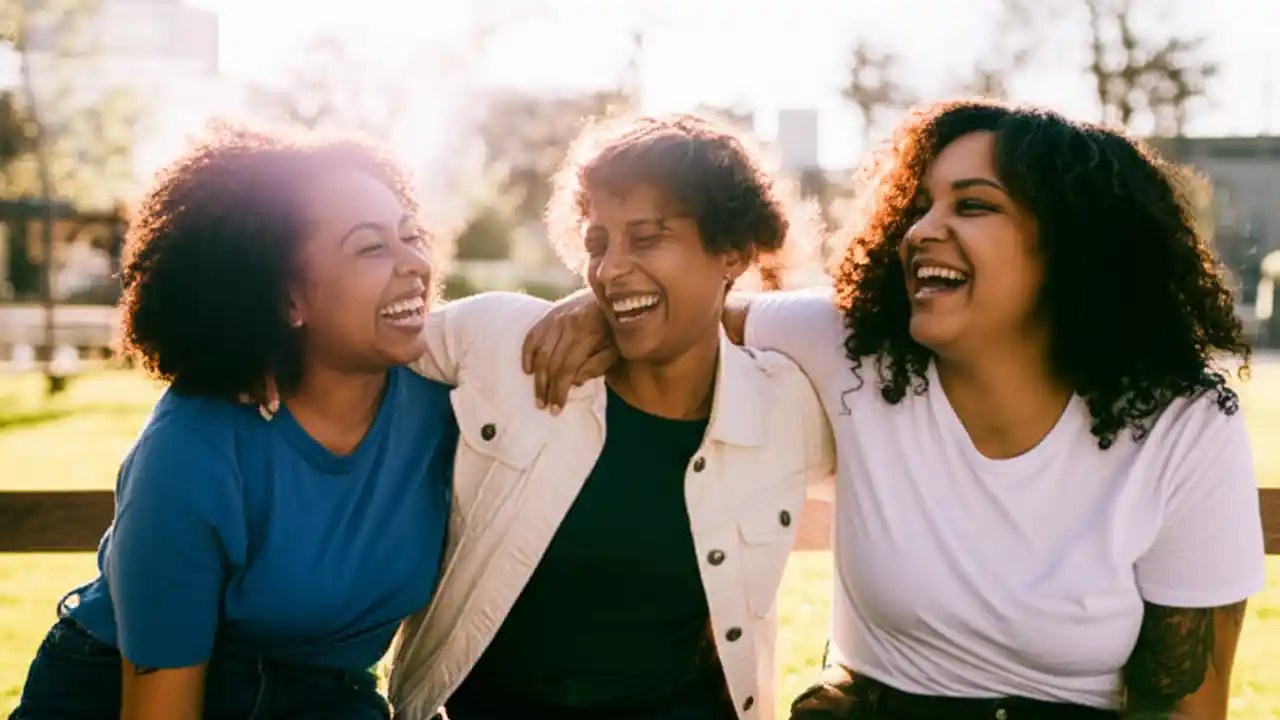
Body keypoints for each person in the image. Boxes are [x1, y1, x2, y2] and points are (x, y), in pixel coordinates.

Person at [521, 100, 1267, 719]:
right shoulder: (851, 349)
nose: (920, 230)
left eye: (972, 205)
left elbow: (1186, 707)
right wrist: (596, 309)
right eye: (919, 206)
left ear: (1073, 246)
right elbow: (690, 305)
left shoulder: (1182, 421)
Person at [387, 114, 834, 720]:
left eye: (646, 238)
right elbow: (357, 339)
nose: (609, 268)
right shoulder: (506, 344)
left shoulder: (788, 407)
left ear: (731, 252)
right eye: (599, 244)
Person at [10, 124, 458, 720]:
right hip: (115, 692)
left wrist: (584, 317)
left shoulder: (452, 393)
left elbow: (553, 340)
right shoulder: (192, 448)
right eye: (370, 247)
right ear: (285, 298)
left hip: (322, 694)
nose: (415, 265)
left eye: (411, 236)